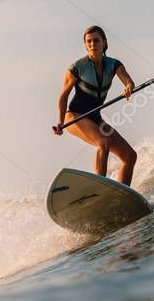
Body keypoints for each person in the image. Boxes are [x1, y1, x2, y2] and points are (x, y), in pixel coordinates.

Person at [53, 25, 138, 186]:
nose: (93, 44)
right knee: (103, 142)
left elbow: (128, 81)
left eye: (96, 40)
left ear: (104, 42)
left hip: (95, 118)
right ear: (85, 45)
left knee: (129, 156)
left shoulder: (114, 65)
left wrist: (128, 87)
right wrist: (60, 122)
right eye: (89, 41)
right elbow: (63, 96)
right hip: (74, 116)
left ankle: (121, 195)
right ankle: (100, 188)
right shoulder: (77, 68)